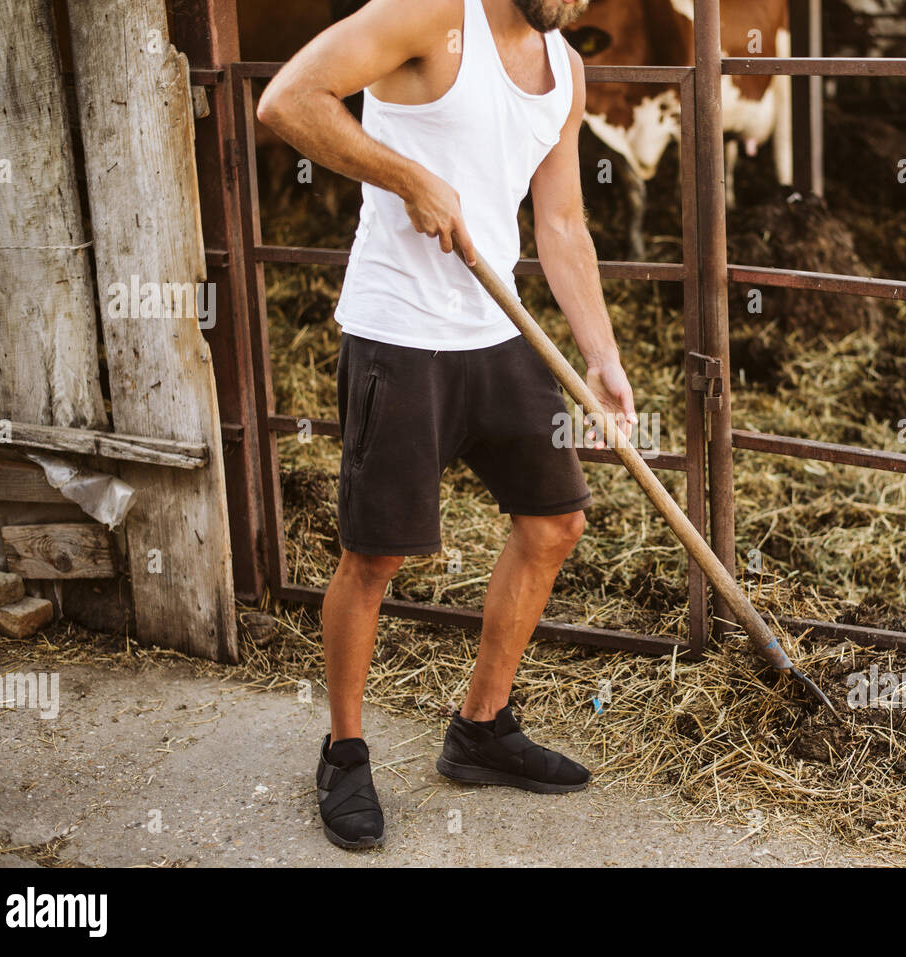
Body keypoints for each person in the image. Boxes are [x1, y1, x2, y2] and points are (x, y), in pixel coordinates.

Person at [257, 0, 636, 849]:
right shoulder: (429, 13)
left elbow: (563, 223)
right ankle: (344, 750)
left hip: (499, 331)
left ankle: (481, 728)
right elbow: (286, 100)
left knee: (554, 523)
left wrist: (601, 355)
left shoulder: (564, 69)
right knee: (376, 552)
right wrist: (408, 178)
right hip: (400, 331)